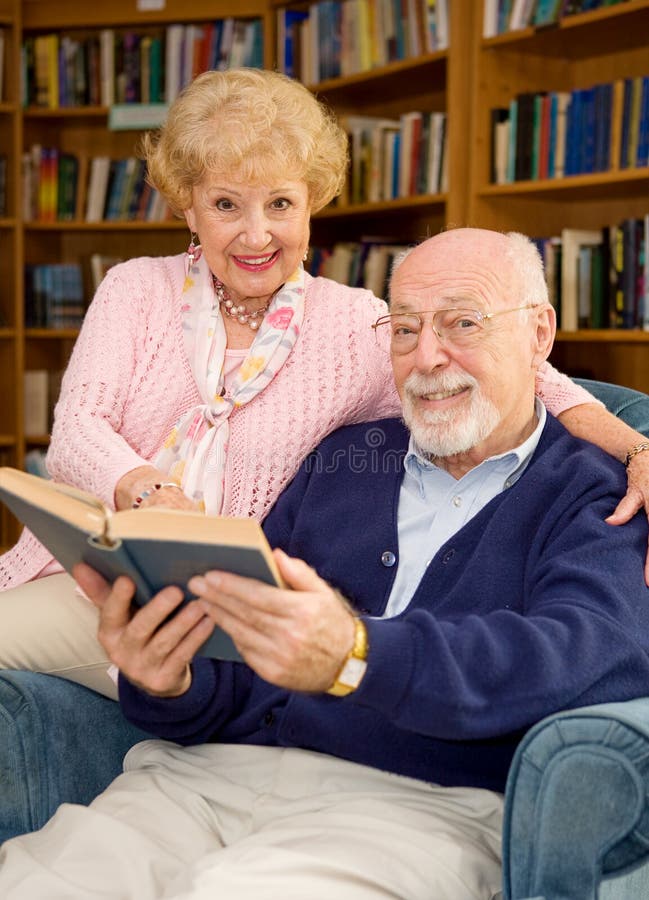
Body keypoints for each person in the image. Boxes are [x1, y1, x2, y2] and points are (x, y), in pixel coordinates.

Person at [2, 227, 648, 900]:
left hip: (418, 807)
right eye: (403, 330)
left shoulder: (599, 490)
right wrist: (170, 680)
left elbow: (585, 656)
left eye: (462, 323)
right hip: (199, 783)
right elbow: (237, 678)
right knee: (38, 883)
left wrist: (357, 654)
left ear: (538, 334)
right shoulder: (344, 458)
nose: (427, 357)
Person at [0, 70, 648, 700]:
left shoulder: (354, 325)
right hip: (93, 577)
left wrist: (636, 449)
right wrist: (152, 491)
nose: (257, 235)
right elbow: (78, 434)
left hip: (223, 613)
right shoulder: (135, 289)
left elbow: (519, 378)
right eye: (226, 204)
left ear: (312, 202)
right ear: (186, 208)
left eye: (280, 204)